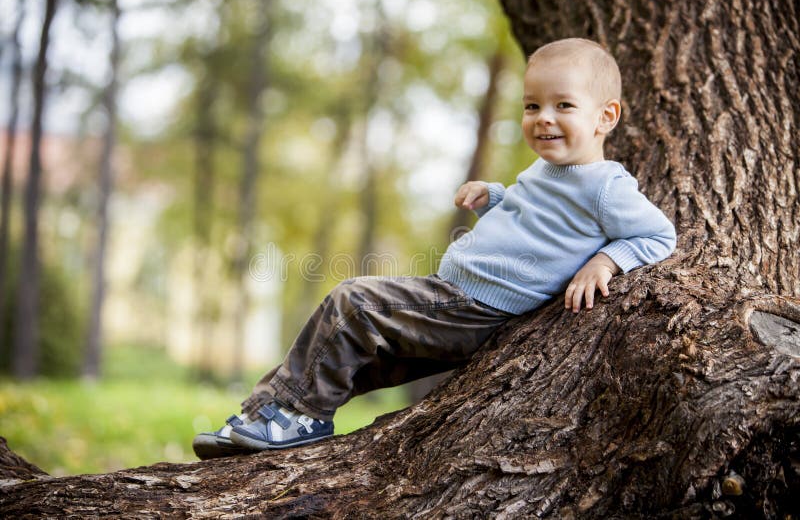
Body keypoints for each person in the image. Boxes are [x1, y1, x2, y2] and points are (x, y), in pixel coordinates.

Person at [192, 37, 677, 459]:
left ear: (605, 117)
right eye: (532, 106)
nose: (543, 119)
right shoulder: (549, 170)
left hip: (476, 308)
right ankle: (265, 421)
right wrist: (495, 197)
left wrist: (605, 260)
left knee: (353, 303)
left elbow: (659, 235)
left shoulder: (606, 186)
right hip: (458, 299)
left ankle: (295, 417)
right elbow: (537, 223)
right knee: (353, 357)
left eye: (563, 106)